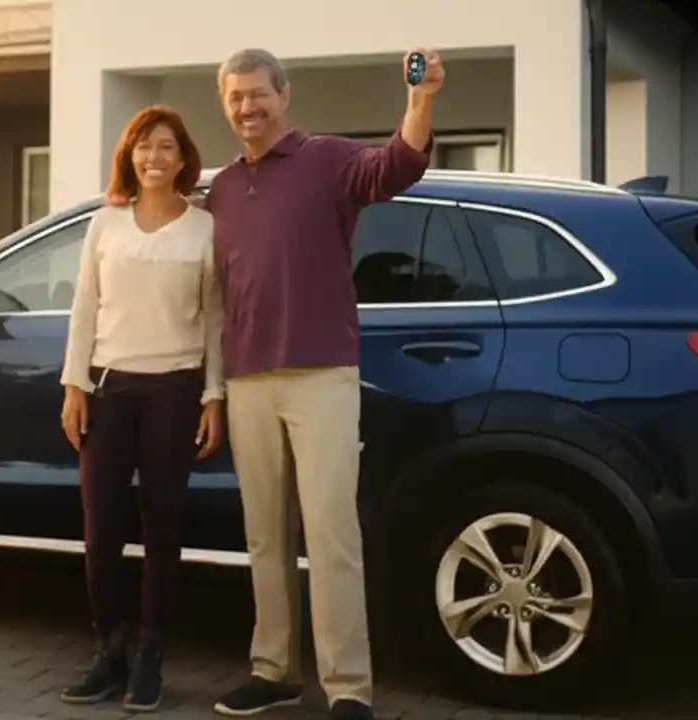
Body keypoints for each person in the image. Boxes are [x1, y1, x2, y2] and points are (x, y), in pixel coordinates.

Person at [202, 48, 443, 719]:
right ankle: (273, 670)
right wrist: (214, 389)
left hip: (321, 375)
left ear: (284, 95)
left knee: (331, 532)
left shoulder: (328, 159)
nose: (247, 107)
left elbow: (397, 164)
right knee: (264, 536)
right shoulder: (220, 189)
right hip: (249, 378)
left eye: (258, 94)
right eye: (235, 98)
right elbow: (212, 293)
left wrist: (421, 101)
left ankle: (348, 688)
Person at [58, 104, 225, 713]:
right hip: (107, 390)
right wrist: (74, 386)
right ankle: (109, 651)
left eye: (165, 147)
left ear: (183, 160)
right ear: (129, 156)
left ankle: (151, 655)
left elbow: (215, 319)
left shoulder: (203, 229)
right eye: (143, 147)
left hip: (174, 391)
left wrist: (214, 395)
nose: (154, 157)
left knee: (162, 527)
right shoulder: (106, 224)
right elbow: (84, 308)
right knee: (101, 529)